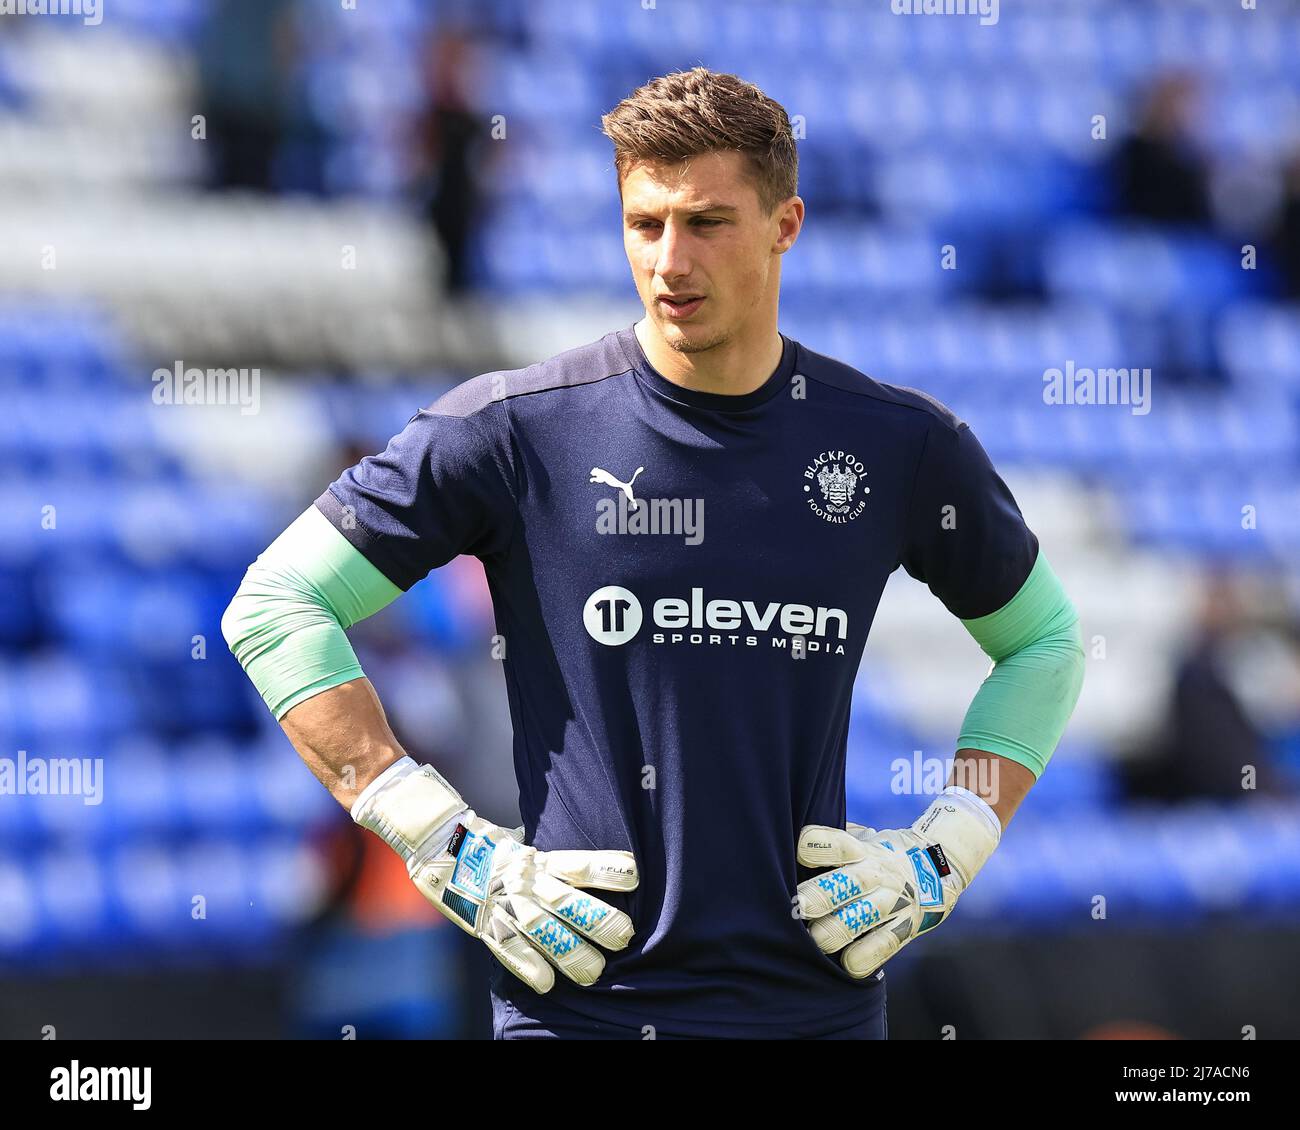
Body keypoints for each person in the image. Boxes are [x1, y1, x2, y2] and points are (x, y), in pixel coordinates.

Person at [223, 67, 1085, 1040]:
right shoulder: (515, 432)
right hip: (579, 1010)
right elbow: (275, 607)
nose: (671, 259)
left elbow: (1046, 641)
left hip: (817, 1009)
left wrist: (953, 840)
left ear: (785, 224)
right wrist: (435, 835)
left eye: (708, 222)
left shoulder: (894, 443)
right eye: (645, 224)